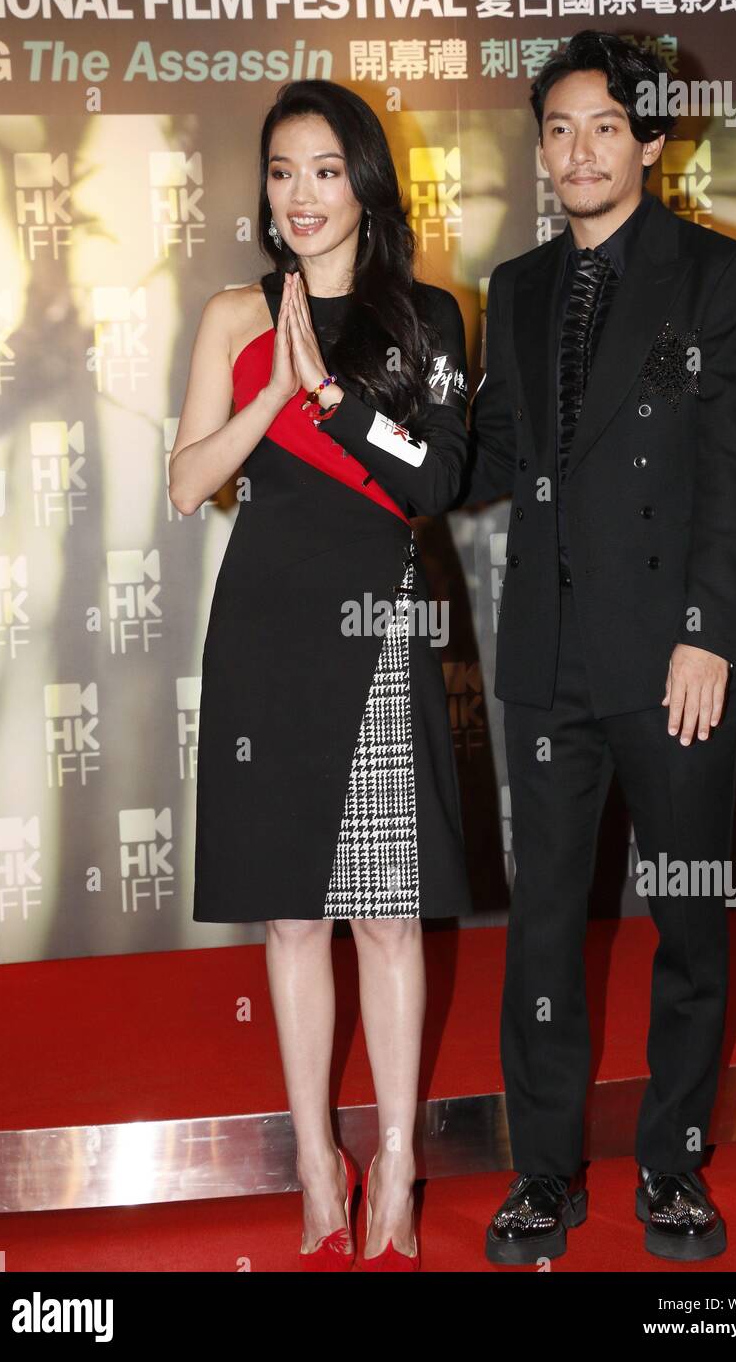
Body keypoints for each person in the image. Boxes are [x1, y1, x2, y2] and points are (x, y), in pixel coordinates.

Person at [455, 30, 736, 1263]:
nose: (578, 150)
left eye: (604, 126)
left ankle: (674, 1167)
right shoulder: (520, 289)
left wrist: (707, 633)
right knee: (543, 928)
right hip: (547, 660)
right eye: (557, 128)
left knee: (689, 920)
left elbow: (728, 468)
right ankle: (542, 1175)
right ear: (539, 147)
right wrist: (369, 439)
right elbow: (489, 456)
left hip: (672, 661)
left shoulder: (717, 274)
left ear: (650, 139)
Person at [169, 79, 473, 1271]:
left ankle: (395, 1156)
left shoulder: (430, 318)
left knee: (388, 914)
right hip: (264, 628)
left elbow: (433, 480)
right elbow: (191, 481)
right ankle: (313, 1161)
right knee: (293, 916)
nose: (301, 195)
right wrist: (274, 395)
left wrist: (336, 399)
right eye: (281, 172)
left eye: (325, 171)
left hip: (377, 622)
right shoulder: (228, 316)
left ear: (366, 184)